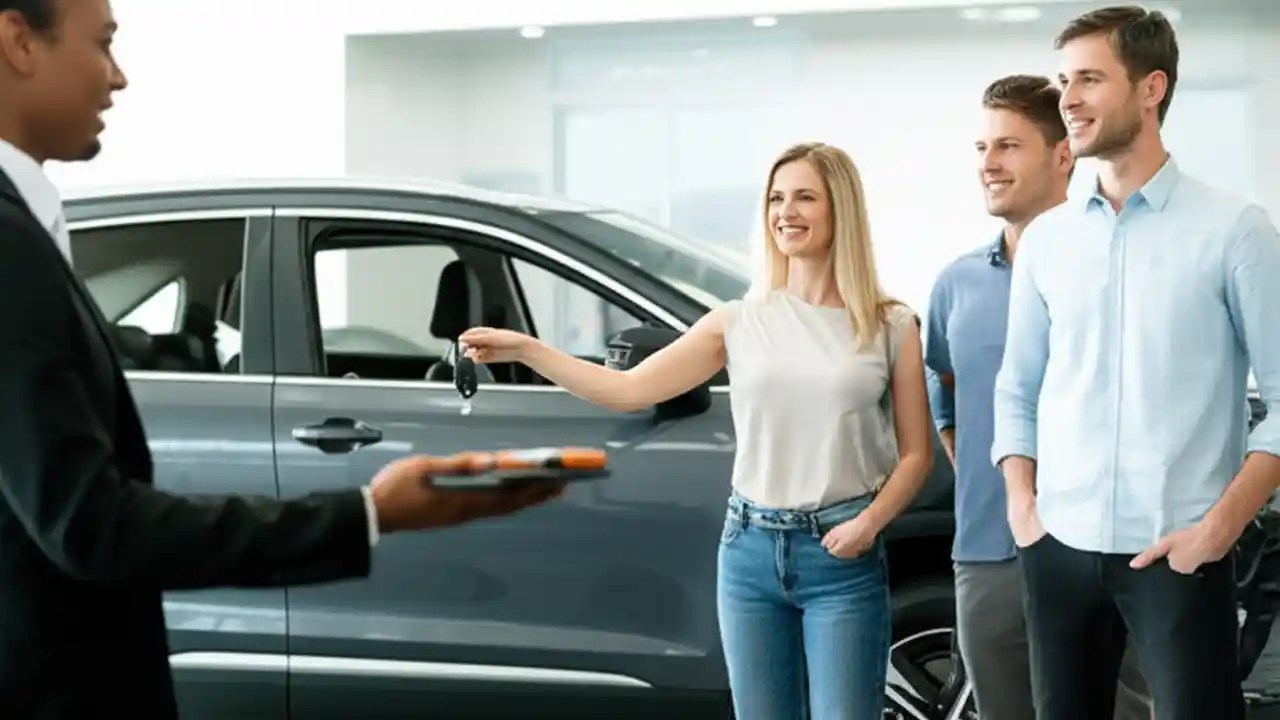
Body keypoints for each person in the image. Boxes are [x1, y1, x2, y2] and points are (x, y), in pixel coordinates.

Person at [0, 1, 563, 718]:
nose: (119, 78)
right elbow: (92, 528)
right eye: (104, 44)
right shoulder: (8, 244)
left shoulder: (26, 226)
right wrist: (371, 512)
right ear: (19, 40)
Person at [460, 141, 934, 719]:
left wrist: (866, 526)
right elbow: (627, 389)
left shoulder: (891, 325)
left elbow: (915, 456)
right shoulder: (738, 321)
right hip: (749, 552)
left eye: (805, 197)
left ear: (842, 209)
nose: (786, 211)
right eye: (776, 198)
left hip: (841, 555)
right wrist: (529, 350)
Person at [991, 6, 1280, 720]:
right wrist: (1024, 510)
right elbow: (1016, 389)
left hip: (1180, 555)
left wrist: (1218, 530)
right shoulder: (1048, 240)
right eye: (1065, 80)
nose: (1069, 98)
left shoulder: (1234, 230)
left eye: (1090, 78)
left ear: (1152, 89)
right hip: (1056, 547)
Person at [926, 73, 1152, 720]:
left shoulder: (1120, 267)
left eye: (1008, 146)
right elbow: (949, 401)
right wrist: (997, 487)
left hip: (1107, 547)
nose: (988, 165)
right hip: (988, 556)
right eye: (981, 148)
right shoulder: (957, 285)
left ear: (1063, 155)